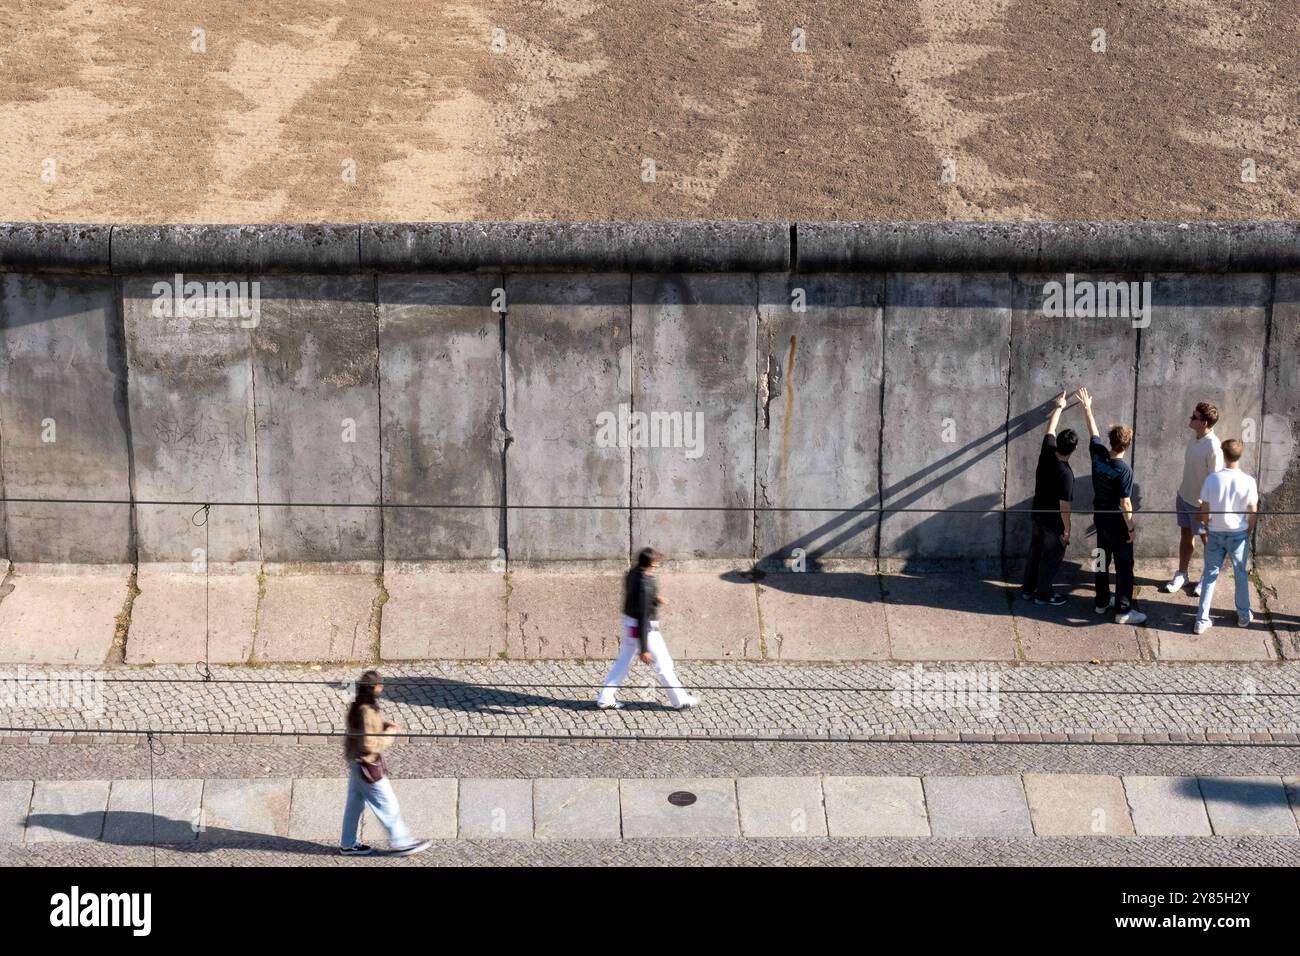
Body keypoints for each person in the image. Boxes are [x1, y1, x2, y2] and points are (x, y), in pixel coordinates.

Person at [339, 670, 431, 857]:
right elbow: (369, 744)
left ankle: (348, 844)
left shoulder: (358, 705)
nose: (382, 687)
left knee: (354, 804)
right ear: (374, 688)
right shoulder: (367, 710)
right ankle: (401, 842)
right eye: (380, 684)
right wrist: (389, 734)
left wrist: (383, 725)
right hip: (366, 764)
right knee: (388, 804)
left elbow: (364, 728)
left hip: (354, 761)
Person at [596, 547, 699, 711]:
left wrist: (654, 599)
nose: (658, 564)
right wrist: (644, 649)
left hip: (629, 623)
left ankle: (605, 697)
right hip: (644, 629)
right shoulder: (646, 583)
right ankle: (680, 700)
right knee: (664, 664)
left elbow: (636, 598)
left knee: (623, 662)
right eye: (656, 562)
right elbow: (643, 617)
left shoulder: (632, 574)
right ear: (652, 564)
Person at [1076, 387, 1145, 625]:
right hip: (1117, 521)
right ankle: (1123, 610)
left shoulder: (1098, 456)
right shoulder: (1124, 470)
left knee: (1101, 559)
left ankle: (1101, 602)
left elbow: (1092, 431)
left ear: (1111, 441)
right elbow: (1125, 502)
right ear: (1127, 445)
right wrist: (1131, 527)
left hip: (1100, 518)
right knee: (1125, 566)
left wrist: (1087, 408)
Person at [1193, 439, 1258, 635]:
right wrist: (1248, 530)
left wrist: (1206, 526)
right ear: (1240, 455)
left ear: (1223, 454)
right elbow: (1252, 511)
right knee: (1240, 574)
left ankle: (1201, 620)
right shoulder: (1248, 481)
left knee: (1210, 575)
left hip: (1215, 532)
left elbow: (1204, 507)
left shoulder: (1212, 479)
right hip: (1238, 534)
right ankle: (1244, 615)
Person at [1020, 390, 1077, 606]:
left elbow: (1050, 428)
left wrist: (1059, 406)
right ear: (1074, 449)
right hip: (1054, 523)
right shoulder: (1066, 474)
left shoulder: (1047, 451)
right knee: (1051, 558)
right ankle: (1044, 595)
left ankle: (1027, 589)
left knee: (1035, 552)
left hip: (1037, 515)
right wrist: (1067, 529)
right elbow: (1065, 506)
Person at [1164, 402, 1223, 596]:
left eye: (1194, 417)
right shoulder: (1194, 435)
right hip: (1184, 496)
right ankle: (1182, 574)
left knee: (1208, 542)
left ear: (1204, 423)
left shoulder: (1213, 447)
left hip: (1201, 505)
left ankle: (1207, 578)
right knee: (1186, 536)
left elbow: (1217, 481)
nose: (1190, 419)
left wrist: (1206, 506)